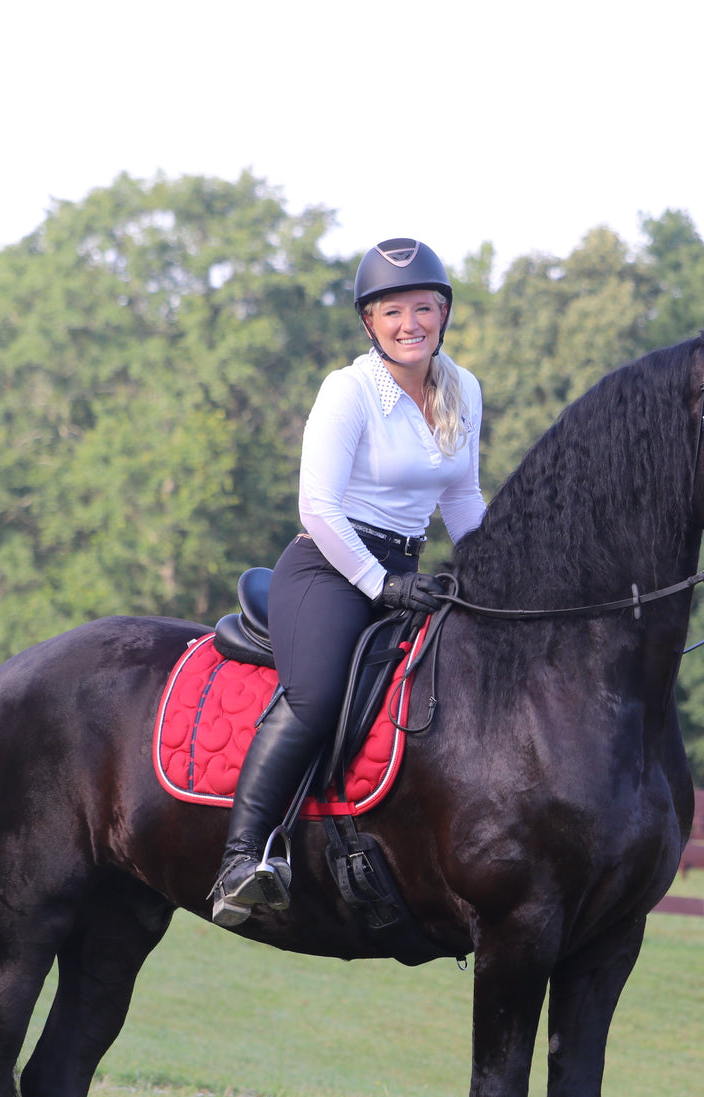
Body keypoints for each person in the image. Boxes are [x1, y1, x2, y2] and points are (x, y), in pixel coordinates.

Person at [211, 238, 486, 926]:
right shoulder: (349, 390)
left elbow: (462, 500)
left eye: (423, 307)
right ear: (370, 322)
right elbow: (318, 508)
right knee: (318, 695)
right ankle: (242, 858)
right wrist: (378, 585)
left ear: (443, 312)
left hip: (406, 570)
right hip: (331, 566)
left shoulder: (463, 389)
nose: (410, 323)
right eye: (393, 311)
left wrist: (497, 570)